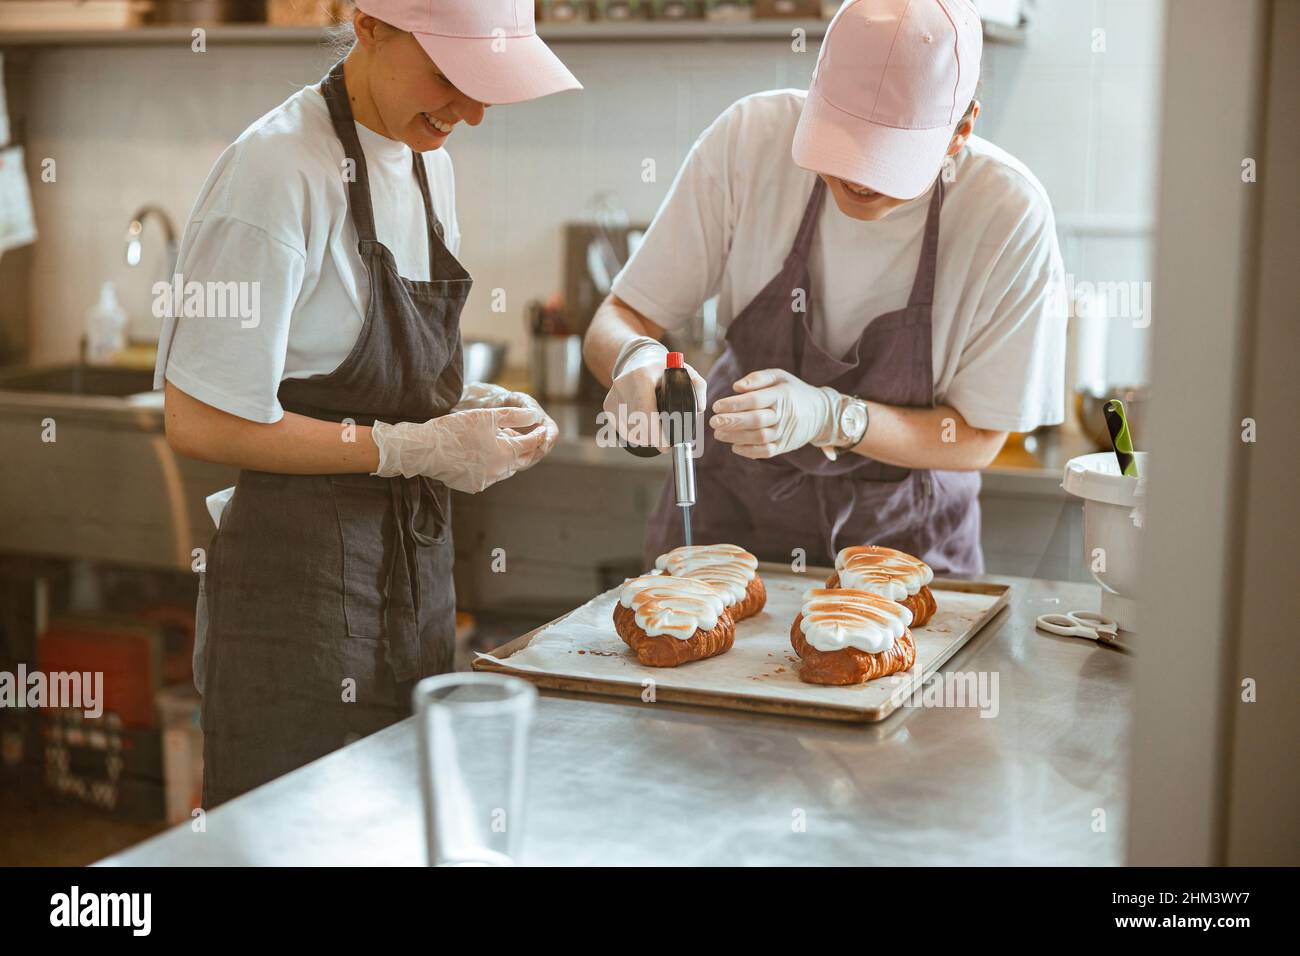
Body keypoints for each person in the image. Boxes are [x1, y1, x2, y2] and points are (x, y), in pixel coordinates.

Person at [154, 0, 581, 806]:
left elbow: (384, 378)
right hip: (295, 603)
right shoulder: (275, 171)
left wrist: (468, 412)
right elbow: (198, 417)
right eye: (453, 75)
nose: (475, 111)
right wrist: (409, 449)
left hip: (413, 589)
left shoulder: (430, 161)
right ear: (369, 24)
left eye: (489, 84)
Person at [583, 0, 1065, 575]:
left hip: (902, 556)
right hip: (725, 528)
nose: (858, 174)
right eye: (841, 140)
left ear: (961, 130)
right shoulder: (751, 141)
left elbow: (979, 437)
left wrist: (834, 416)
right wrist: (634, 358)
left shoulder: (1006, 214)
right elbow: (621, 315)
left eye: (888, 155)